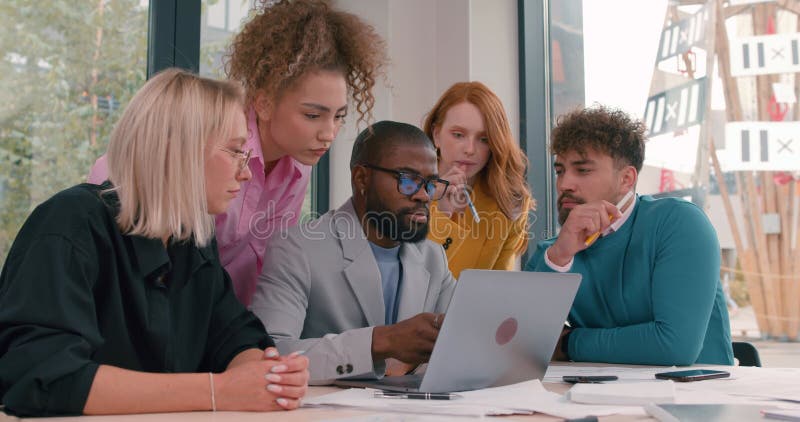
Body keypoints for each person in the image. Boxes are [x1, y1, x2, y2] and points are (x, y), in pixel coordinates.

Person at [0, 69, 309, 416]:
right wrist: (217, 391)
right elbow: (45, 378)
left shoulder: (192, 239)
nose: (246, 171)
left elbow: (237, 336)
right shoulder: (69, 225)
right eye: (236, 151)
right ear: (176, 149)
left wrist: (268, 376)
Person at [88, 0, 388, 307]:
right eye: (313, 115)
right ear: (265, 102)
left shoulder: (299, 166)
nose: (329, 134)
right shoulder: (210, 135)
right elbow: (116, 197)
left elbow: (265, 262)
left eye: (339, 116)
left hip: (220, 321)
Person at [524, 106, 733, 366]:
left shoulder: (678, 224)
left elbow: (674, 346)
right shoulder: (553, 254)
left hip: (693, 398)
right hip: (594, 400)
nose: (565, 184)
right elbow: (525, 345)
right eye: (560, 171)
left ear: (626, 179)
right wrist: (560, 256)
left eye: (583, 170)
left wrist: (569, 343)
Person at [250, 121, 457, 383]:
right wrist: (381, 341)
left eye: (430, 184)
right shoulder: (296, 249)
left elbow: (458, 342)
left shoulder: (433, 257)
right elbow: (268, 355)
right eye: (408, 181)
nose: (424, 196)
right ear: (362, 178)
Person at [423, 81, 533, 279]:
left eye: (484, 139)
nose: (470, 149)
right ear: (437, 135)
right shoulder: (407, 191)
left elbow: (500, 286)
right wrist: (442, 213)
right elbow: (413, 278)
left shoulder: (509, 202)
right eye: (458, 135)